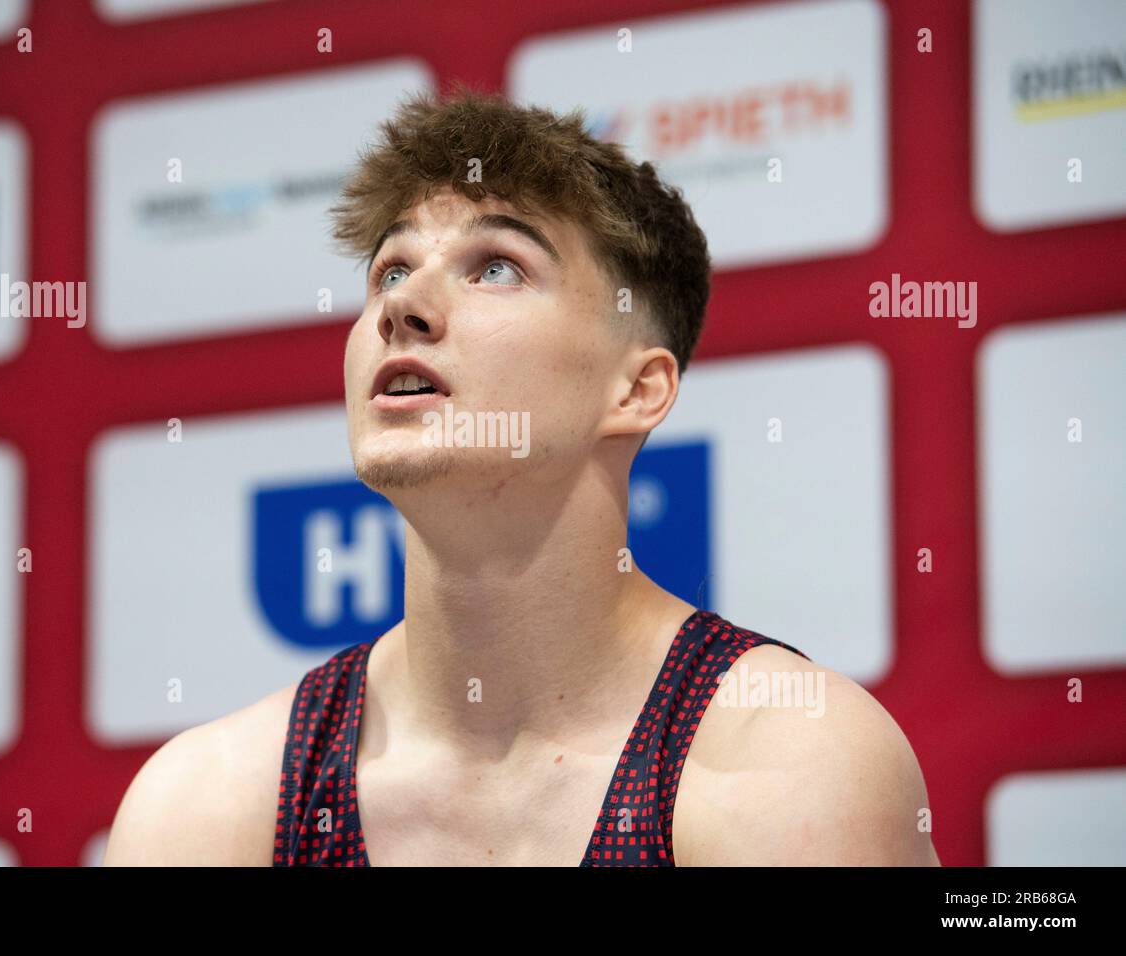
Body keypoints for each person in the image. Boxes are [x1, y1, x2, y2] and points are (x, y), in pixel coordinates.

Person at [104, 85, 940, 867]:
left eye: (495, 266)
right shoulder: (207, 810)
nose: (402, 306)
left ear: (637, 389)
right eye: (390, 271)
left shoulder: (791, 768)